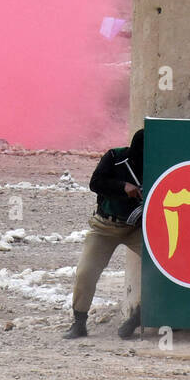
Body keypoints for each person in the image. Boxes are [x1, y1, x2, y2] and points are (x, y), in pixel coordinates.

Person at [65, 128, 145, 340]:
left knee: (162, 268)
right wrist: (122, 186)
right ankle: (79, 322)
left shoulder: (156, 164)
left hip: (136, 229)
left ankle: (139, 316)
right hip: (105, 227)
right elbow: (96, 183)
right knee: (86, 272)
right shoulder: (115, 157)